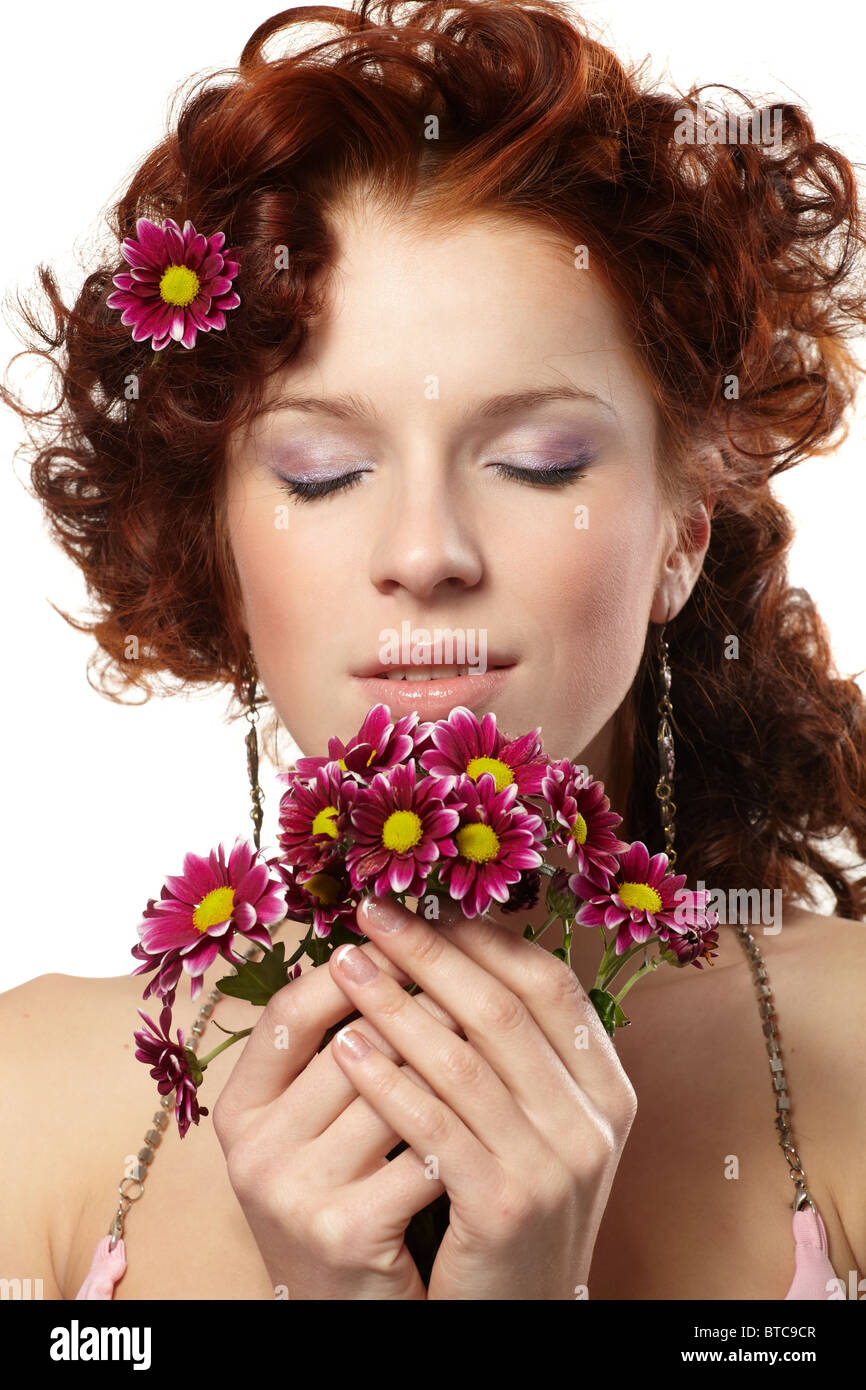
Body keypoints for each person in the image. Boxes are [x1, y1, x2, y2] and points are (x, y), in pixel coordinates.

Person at [2, 0, 864, 1301]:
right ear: (221, 550)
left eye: (534, 460)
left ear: (682, 532)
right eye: (322, 469)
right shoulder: (31, 1110)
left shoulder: (847, 1061)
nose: (424, 549)